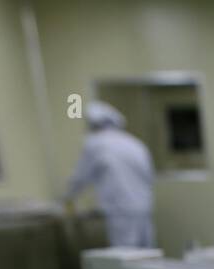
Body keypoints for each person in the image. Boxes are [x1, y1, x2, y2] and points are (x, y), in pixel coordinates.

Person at [64, 101, 156, 248]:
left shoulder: (95, 144)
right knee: (147, 254)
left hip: (120, 210)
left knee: (125, 257)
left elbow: (80, 178)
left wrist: (67, 198)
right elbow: (149, 176)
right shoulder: (134, 143)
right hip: (143, 206)